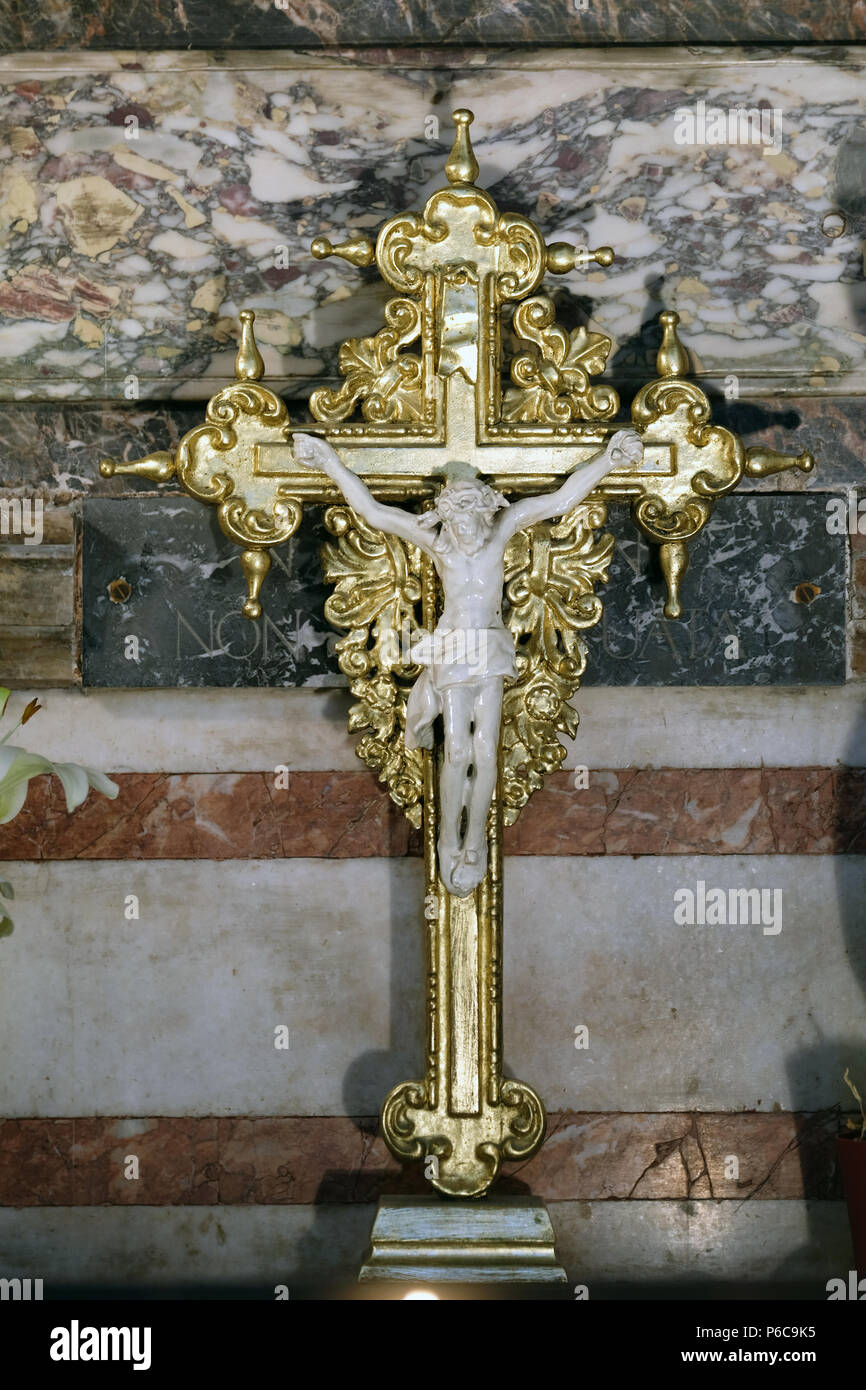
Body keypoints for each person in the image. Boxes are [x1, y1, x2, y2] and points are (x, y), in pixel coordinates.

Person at [293, 429, 643, 895]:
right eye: (456, 519)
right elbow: (373, 512)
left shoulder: (502, 532)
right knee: (456, 751)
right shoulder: (436, 545)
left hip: (491, 646)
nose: (465, 529)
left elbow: (559, 502)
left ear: (483, 512)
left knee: (485, 749)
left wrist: (609, 461)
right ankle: (445, 840)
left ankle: (474, 837)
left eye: (471, 516)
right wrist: (328, 461)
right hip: (456, 647)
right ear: (447, 519)